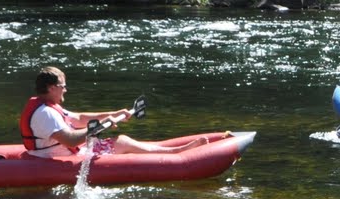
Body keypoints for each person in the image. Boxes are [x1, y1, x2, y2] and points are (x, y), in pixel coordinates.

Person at [19, 66, 206, 157]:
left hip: (62, 151)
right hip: (59, 156)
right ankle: (176, 153)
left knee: (122, 141)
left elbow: (78, 118)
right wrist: (100, 126)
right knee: (122, 141)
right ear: (52, 88)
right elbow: (71, 139)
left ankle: (170, 151)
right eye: (63, 86)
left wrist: (114, 113)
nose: (66, 90)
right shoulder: (46, 113)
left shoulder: (47, 106)